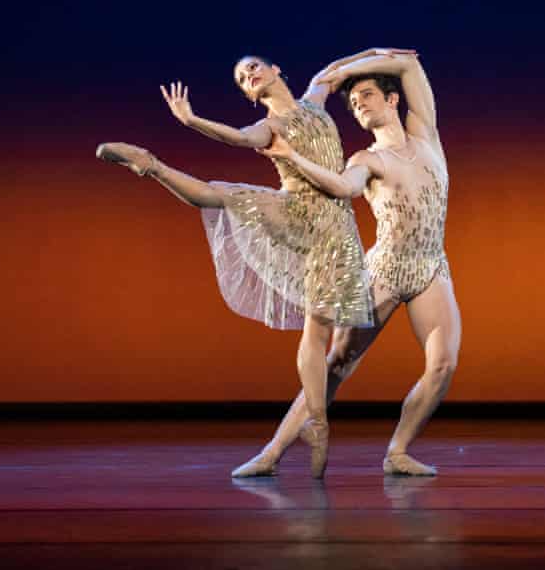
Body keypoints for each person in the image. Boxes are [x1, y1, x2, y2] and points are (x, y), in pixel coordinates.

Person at [95, 54, 381, 478]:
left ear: (276, 69)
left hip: (338, 226)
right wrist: (192, 122)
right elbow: (238, 138)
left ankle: (309, 426)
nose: (248, 76)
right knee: (222, 197)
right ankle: (150, 165)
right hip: (299, 211)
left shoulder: (316, 101)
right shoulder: (270, 127)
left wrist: (381, 56)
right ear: (251, 94)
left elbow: (335, 70)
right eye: (242, 80)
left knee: (321, 326)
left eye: (252, 68)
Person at [233, 49, 461, 477]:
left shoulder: (425, 134)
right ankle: (272, 452)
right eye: (353, 103)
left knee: (443, 366)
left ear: (392, 100)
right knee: (337, 361)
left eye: (367, 96)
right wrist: (290, 156)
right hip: (385, 270)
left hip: (432, 267)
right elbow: (341, 187)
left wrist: (347, 74)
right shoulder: (365, 159)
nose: (358, 104)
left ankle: (398, 451)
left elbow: (409, 64)